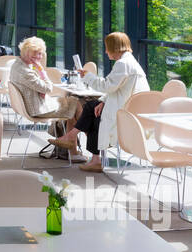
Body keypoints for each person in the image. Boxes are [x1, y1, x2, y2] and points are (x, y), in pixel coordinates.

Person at [56, 31, 149, 173]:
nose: (105, 52)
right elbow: (118, 88)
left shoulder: (123, 64)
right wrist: (103, 101)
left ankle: (76, 141)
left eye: (107, 48)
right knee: (93, 109)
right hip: (129, 109)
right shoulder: (130, 62)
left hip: (124, 114)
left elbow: (106, 86)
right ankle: (86, 152)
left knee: (91, 112)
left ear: (114, 48)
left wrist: (88, 76)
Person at [8, 37, 82, 143]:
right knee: (76, 103)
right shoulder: (26, 72)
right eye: (38, 54)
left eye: (41, 53)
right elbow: (48, 88)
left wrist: (40, 90)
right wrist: (41, 70)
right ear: (29, 53)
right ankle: (90, 146)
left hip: (31, 105)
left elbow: (35, 85)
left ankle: (69, 150)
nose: (41, 57)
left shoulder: (17, 65)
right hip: (37, 109)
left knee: (69, 105)